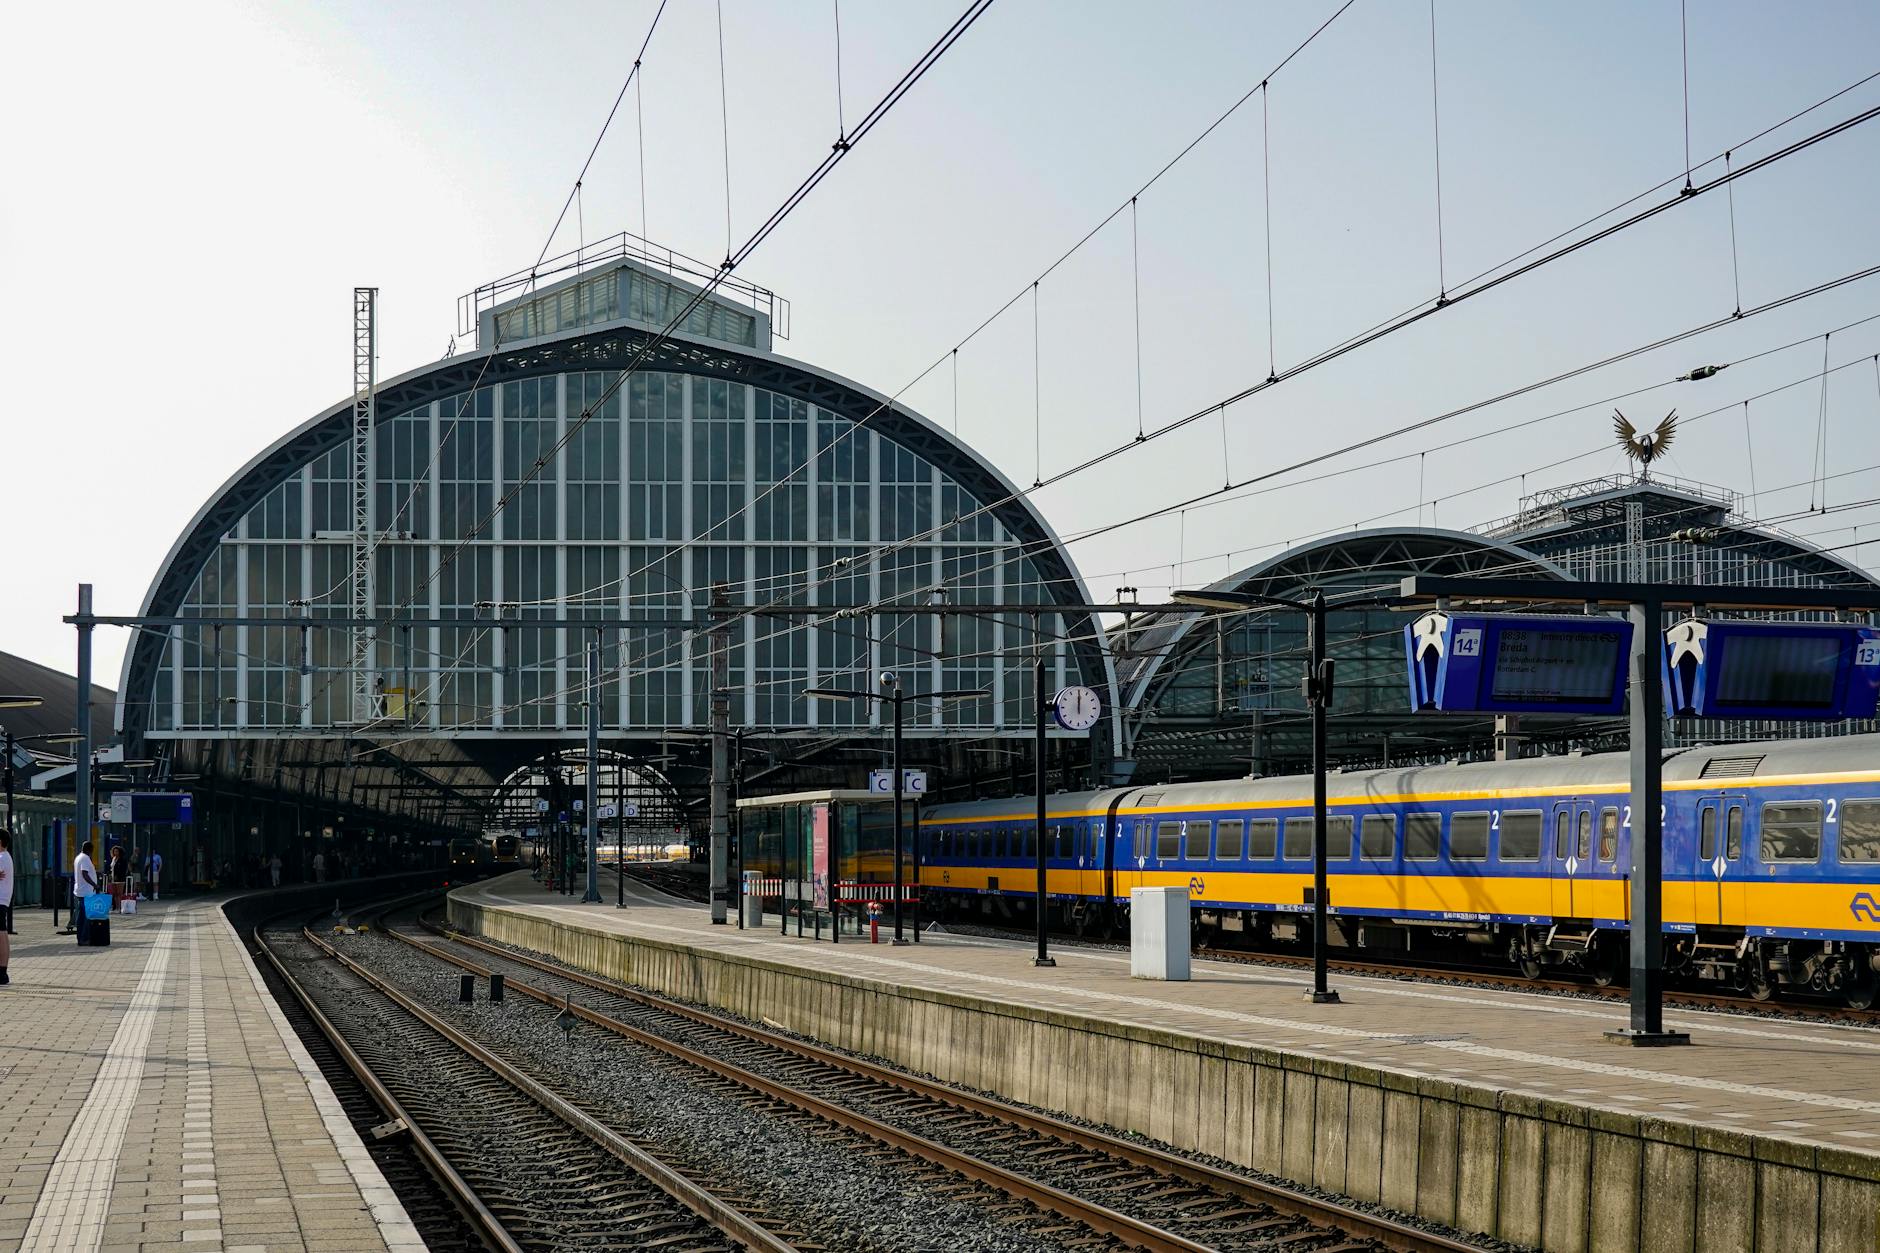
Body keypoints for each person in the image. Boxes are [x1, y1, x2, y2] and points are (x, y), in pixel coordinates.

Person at [73, 841, 100, 946]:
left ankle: (81, 938)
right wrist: (95, 885)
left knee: (81, 917)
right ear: (90, 849)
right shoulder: (85, 858)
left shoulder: (79, 857)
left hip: (81, 891)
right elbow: (84, 874)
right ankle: (83, 939)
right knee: (85, 917)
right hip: (86, 892)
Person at [0, 831, 14, 984]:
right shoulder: (5, 857)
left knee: (1, 934)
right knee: (1, 933)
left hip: (0, 900)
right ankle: (2, 970)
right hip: (3, 900)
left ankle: (2, 971)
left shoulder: (2, 857)